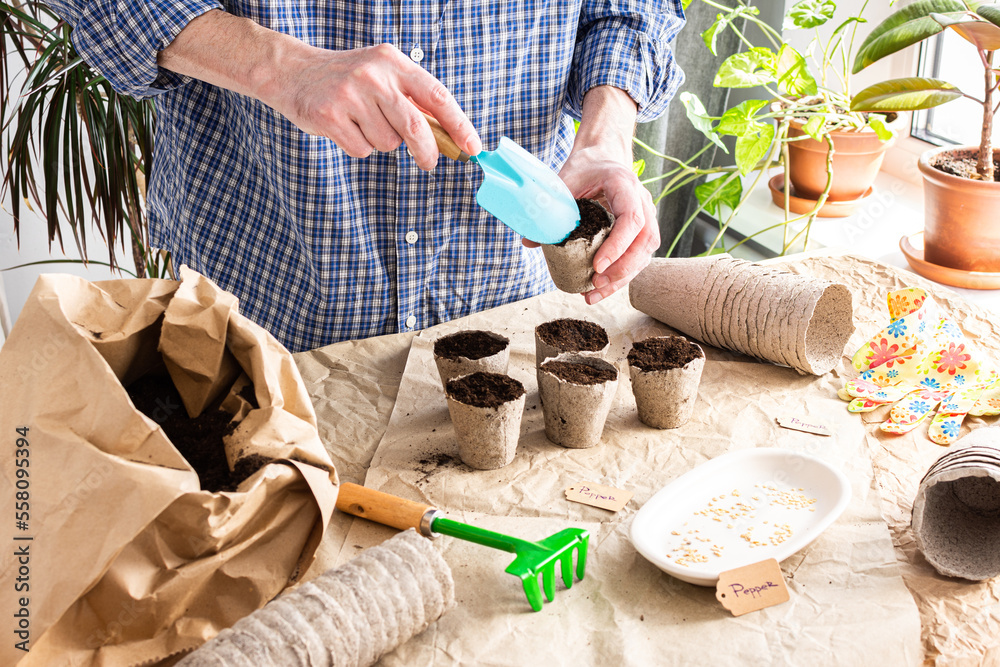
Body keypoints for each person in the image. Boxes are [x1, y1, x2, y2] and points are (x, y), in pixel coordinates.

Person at [45, 1, 685, 352]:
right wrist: (282, 68)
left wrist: (606, 135)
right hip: (261, 298)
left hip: (504, 301)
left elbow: (635, 9)